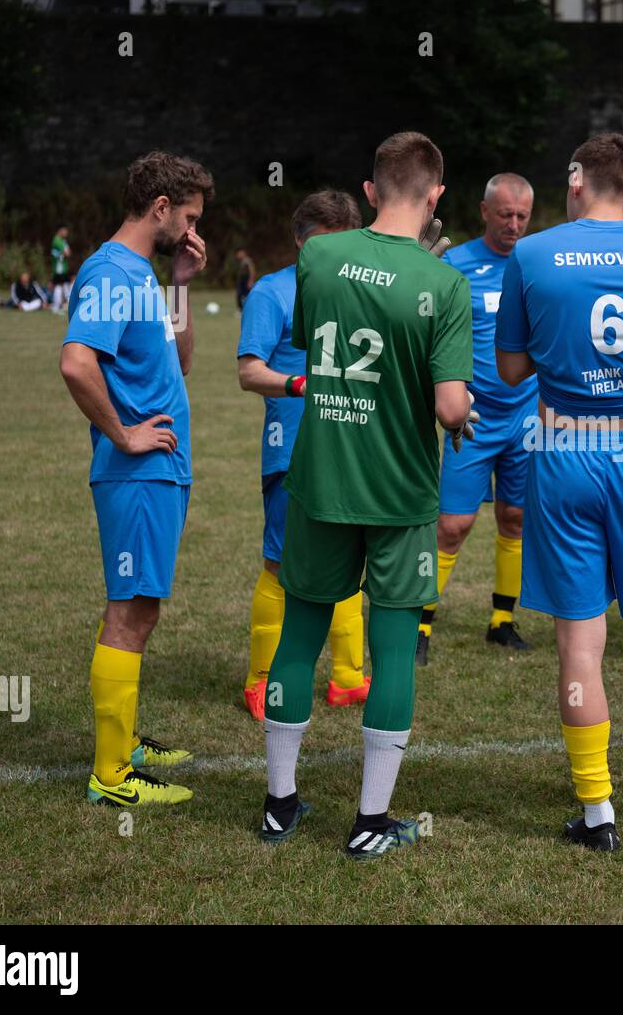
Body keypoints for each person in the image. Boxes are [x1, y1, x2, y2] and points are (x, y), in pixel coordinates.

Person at [256, 132, 475, 859]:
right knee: (392, 653)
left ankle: (279, 804)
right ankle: (369, 819)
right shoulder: (444, 284)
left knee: (298, 640)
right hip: (399, 491)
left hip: (318, 480)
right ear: (436, 194)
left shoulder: (317, 255)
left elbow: (320, 332)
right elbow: (449, 407)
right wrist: (465, 409)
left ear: (373, 189)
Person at [496, 132, 623, 851]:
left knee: (579, 639)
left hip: (565, 449)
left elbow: (513, 365)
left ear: (576, 180)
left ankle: (597, 812)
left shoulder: (530, 254)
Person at [59, 151, 212, 806]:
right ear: (160, 209)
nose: (194, 228)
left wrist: (180, 279)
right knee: (131, 609)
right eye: (190, 217)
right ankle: (111, 775)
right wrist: (123, 434)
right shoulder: (108, 271)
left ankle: (123, 745)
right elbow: (74, 363)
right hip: (137, 471)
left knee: (138, 606)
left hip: (159, 471)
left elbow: (176, 360)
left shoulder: (143, 273)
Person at [236, 190, 371, 723]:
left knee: (345, 558)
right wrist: (300, 383)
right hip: (292, 450)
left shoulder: (364, 290)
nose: (329, 258)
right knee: (280, 562)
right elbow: (250, 372)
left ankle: (346, 677)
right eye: (318, 246)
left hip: (353, 445)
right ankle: (261, 681)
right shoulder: (272, 292)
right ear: (298, 242)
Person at [419, 172, 536, 664]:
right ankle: (420, 622)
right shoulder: (456, 262)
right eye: (505, 214)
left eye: (523, 216)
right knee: (453, 524)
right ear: (485, 211)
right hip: (472, 416)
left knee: (516, 516)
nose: (513, 225)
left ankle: (502, 620)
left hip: (527, 414)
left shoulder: (538, 264)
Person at [51, 226, 74, 312]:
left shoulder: (63, 241)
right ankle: (56, 307)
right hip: (59, 267)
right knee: (59, 285)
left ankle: (60, 306)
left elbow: (69, 252)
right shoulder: (57, 240)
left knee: (64, 284)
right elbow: (67, 253)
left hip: (63, 267)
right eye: (65, 231)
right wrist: (66, 253)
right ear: (60, 230)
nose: (66, 233)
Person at [234, 248, 256, 312]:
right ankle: (241, 309)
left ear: (243, 253)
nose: (237, 255)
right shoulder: (242, 261)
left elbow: (252, 271)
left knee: (246, 294)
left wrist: (250, 281)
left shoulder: (247, 261)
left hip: (246, 280)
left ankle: (248, 309)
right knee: (240, 294)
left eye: (239, 253)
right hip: (242, 280)